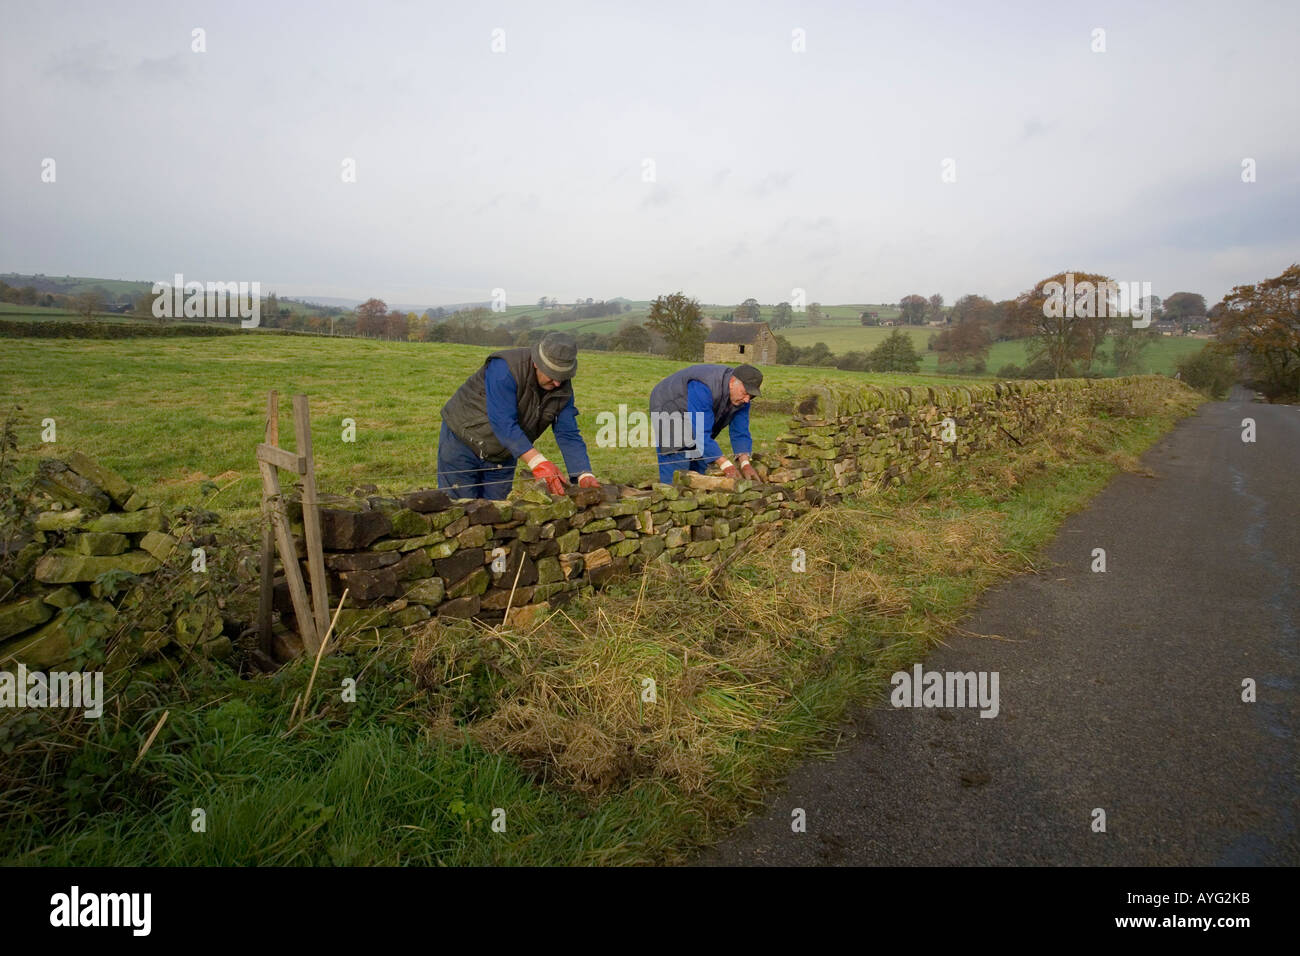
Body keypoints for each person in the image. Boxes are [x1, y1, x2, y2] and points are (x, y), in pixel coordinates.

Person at [437, 331, 599, 499]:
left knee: (498, 514)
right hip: (462, 444)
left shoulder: (562, 389)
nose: (557, 382)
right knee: (459, 510)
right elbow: (502, 421)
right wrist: (537, 462)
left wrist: (583, 474)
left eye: (562, 377)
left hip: (504, 454)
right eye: (552, 375)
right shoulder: (505, 368)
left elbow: (568, 433)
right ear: (537, 363)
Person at [649, 363, 763, 484]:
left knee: (700, 461)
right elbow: (701, 434)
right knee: (677, 461)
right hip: (670, 407)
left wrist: (745, 463)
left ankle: (695, 495)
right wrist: (726, 465)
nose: (747, 399)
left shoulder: (743, 399)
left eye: (751, 395)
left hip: (697, 410)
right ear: (732, 382)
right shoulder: (704, 386)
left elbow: (741, 432)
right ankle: (672, 494)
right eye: (745, 393)